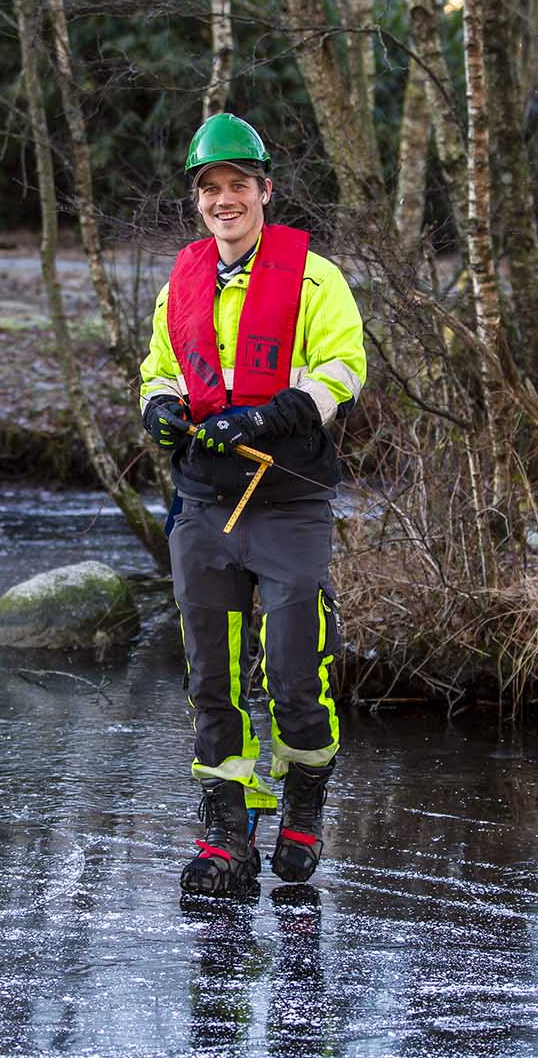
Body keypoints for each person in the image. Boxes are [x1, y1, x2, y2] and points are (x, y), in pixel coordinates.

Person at [139, 112, 367, 894]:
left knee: (298, 667)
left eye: (239, 185)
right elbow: (160, 367)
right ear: (198, 199)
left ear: (265, 191)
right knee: (214, 674)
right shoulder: (182, 281)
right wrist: (161, 407)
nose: (225, 199)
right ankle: (226, 831)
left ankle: (304, 798)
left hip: (288, 497)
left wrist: (279, 411)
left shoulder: (315, 277)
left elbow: (343, 366)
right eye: (212, 188)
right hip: (205, 501)